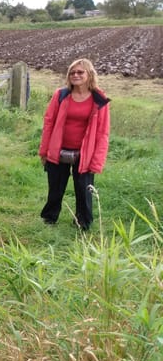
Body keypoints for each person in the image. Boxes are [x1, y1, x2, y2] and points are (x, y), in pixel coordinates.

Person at [38, 58, 110, 231]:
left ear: (89, 74)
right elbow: (49, 122)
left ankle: (83, 222)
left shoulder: (99, 99)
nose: (75, 75)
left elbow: (103, 133)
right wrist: (44, 151)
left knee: (84, 189)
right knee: (55, 187)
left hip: (85, 153)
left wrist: (97, 161)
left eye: (80, 72)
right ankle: (49, 218)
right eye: (72, 72)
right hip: (58, 149)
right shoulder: (61, 95)